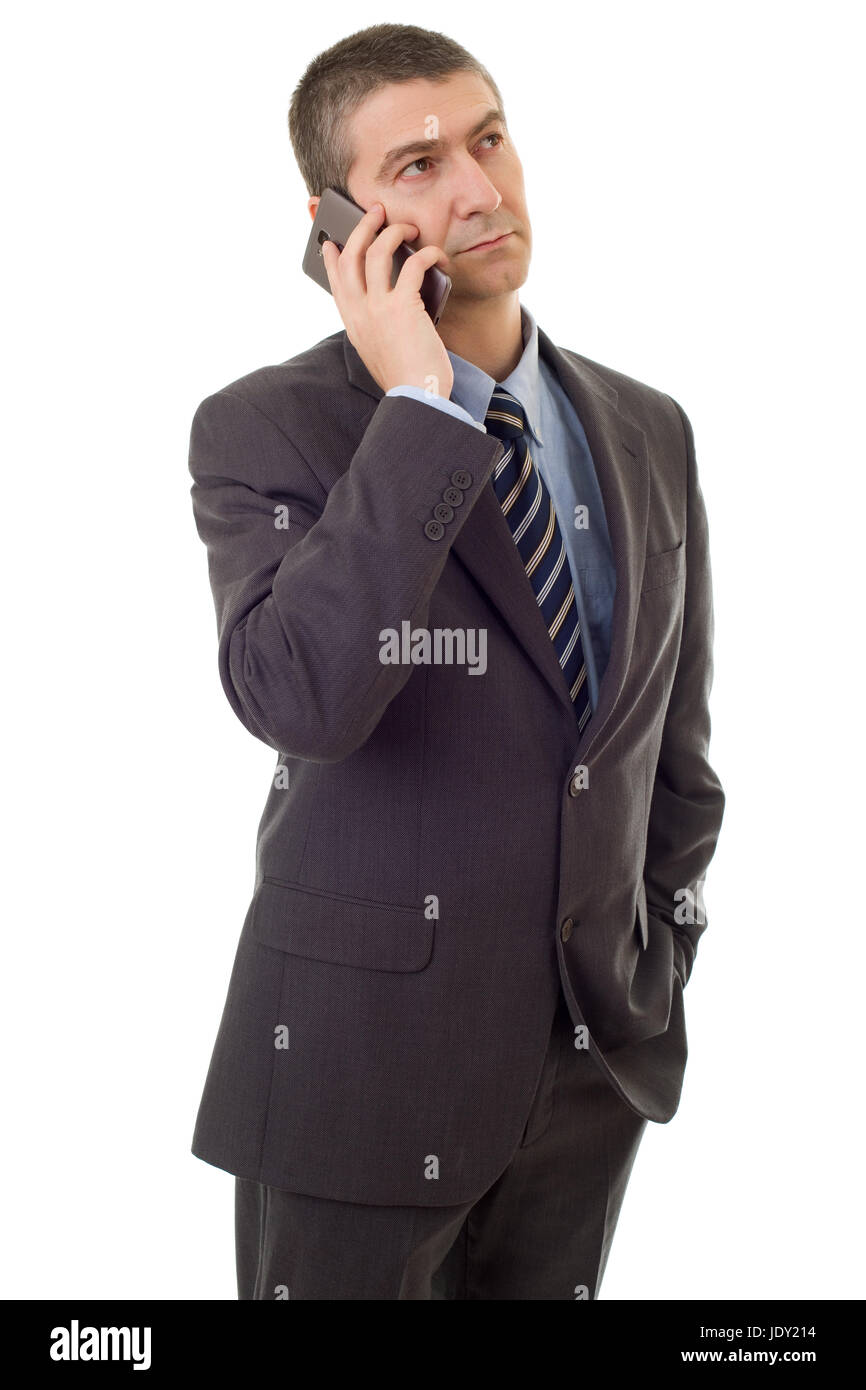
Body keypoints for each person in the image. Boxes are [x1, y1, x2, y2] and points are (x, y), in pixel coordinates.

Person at [187, 22, 725, 1300]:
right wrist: (422, 410)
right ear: (337, 223)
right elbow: (299, 697)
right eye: (417, 164)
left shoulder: (647, 428)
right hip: (360, 1071)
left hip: (591, 1066)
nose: (479, 188)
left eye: (488, 139)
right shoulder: (266, 427)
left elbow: (672, 757)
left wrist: (652, 967)